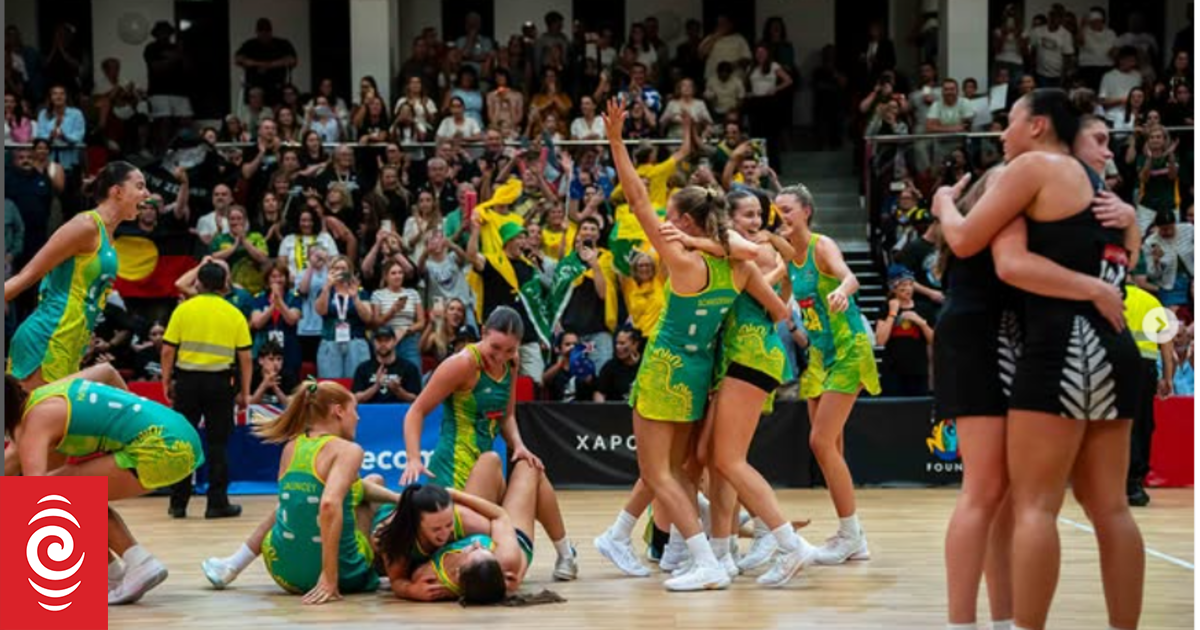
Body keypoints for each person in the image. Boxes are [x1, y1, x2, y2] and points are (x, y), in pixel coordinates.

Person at [933, 89, 1143, 630]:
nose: (1000, 133)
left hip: (1063, 345)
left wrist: (942, 204)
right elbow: (1124, 254)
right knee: (1107, 507)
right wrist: (1130, 228)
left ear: (1038, 126)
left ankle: (1005, 624)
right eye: (1099, 140)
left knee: (1030, 504)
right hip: (1108, 346)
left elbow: (997, 258)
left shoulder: (1032, 168)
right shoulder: (1095, 190)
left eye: (1010, 122)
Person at [601, 98, 793, 591]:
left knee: (658, 472)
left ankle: (704, 559)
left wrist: (617, 142)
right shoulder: (737, 263)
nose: (662, 218)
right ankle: (696, 553)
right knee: (684, 470)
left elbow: (636, 198)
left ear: (685, 221)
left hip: (665, 366)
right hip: (700, 372)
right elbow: (764, 277)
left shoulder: (681, 258)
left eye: (671, 214)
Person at [670, 188, 817, 586]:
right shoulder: (732, 251)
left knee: (729, 461)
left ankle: (784, 540)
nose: (756, 223)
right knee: (712, 459)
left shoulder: (754, 250)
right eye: (748, 215)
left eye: (758, 215)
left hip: (752, 355)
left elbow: (779, 306)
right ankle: (723, 550)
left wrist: (690, 240)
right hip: (734, 359)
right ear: (728, 218)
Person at [5, 364, 203, 605]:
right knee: (66, 483)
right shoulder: (50, 393)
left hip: (161, 445)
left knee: (58, 494)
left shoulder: (34, 423)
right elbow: (108, 371)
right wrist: (128, 416)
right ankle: (112, 575)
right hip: (177, 430)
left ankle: (140, 562)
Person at [200, 381, 398, 603]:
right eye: (355, 411)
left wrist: (398, 497)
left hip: (283, 573)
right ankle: (395, 574)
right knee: (363, 495)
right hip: (343, 575)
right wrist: (329, 578)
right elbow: (329, 505)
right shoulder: (349, 450)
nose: (358, 418)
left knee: (292, 505)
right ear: (339, 411)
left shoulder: (291, 447)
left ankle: (235, 563)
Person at [783, 183, 881, 565]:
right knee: (830, 448)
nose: (781, 217)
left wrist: (842, 290)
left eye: (788, 210)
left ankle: (850, 535)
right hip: (820, 356)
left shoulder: (822, 245)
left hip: (849, 349)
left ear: (806, 211)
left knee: (820, 442)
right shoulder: (789, 256)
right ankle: (853, 536)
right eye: (778, 210)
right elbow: (786, 300)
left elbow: (850, 277)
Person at [5, 162, 145, 391]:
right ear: (117, 191)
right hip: (47, 336)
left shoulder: (108, 237)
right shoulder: (84, 226)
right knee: (30, 423)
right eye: (140, 186)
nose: (146, 194)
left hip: (72, 342)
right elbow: (25, 276)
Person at [381, 453, 576, 603]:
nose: (445, 533)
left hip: (491, 545)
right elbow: (501, 518)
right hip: (512, 541)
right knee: (529, 467)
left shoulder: (428, 574)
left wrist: (410, 591)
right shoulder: (502, 560)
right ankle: (566, 553)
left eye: (448, 524)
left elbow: (398, 581)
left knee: (491, 461)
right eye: (436, 529)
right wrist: (455, 495)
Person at [400, 306, 543, 491]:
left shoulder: (512, 361)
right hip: (453, 467)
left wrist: (518, 445)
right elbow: (415, 411)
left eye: (509, 350)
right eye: (495, 347)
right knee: (490, 518)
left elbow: (506, 416)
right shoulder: (461, 364)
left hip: (484, 465)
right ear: (483, 332)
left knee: (533, 471)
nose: (500, 357)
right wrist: (413, 458)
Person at [162, 261, 253, 519]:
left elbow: (168, 349)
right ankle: (217, 503)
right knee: (218, 444)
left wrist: (166, 381)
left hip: (187, 382)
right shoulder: (234, 313)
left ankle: (178, 503)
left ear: (198, 283)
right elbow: (245, 357)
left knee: (182, 441)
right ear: (225, 285)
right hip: (220, 384)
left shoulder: (183, 310)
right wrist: (245, 392)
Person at [1123, 283, 1175, 507]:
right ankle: (1135, 484)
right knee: (1142, 423)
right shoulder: (1153, 302)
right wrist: (1168, 378)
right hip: (1146, 368)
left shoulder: (1113, 296)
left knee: (1116, 424)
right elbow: (1166, 345)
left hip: (1115, 363)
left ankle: (1112, 481)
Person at [875, 267, 934, 396]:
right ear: (894, 288)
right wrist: (892, 313)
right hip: (892, 371)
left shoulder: (924, 308)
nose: (908, 289)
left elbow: (935, 341)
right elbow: (880, 341)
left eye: (910, 285)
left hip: (918, 371)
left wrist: (921, 323)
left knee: (918, 409)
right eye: (903, 285)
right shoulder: (886, 308)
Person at [234, 18, 298, 105]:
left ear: (270, 32)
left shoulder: (282, 44)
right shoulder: (250, 44)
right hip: (255, 87)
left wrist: (270, 65)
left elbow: (292, 60)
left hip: (276, 87)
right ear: (257, 32)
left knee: (278, 112)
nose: (264, 35)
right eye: (261, 32)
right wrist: (259, 64)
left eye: (266, 32)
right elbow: (238, 59)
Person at [352, 326, 422, 404]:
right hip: (371, 413)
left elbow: (417, 399)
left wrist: (399, 391)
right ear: (373, 342)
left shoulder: (409, 368)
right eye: (379, 340)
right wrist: (376, 387)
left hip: (400, 413)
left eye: (387, 340)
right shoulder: (363, 368)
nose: (383, 344)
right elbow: (355, 399)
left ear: (395, 341)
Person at [593, 328, 642, 402]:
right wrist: (601, 409)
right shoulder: (610, 367)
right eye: (616, 343)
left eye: (622, 343)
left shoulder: (647, 365)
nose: (617, 347)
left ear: (635, 344)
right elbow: (600, 392)